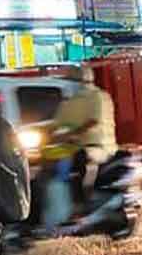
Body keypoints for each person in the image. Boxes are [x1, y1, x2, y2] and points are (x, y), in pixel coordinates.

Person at [41, 68, 116, 229]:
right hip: (74, 148)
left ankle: (81, 208)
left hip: (98, 146)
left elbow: (93, 121)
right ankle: (62, 212)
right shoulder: (70, 101)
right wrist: (48, 133)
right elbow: (57, 123)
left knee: (79, 164)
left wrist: (73, 133)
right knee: (51, 168)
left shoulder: (98, 97)